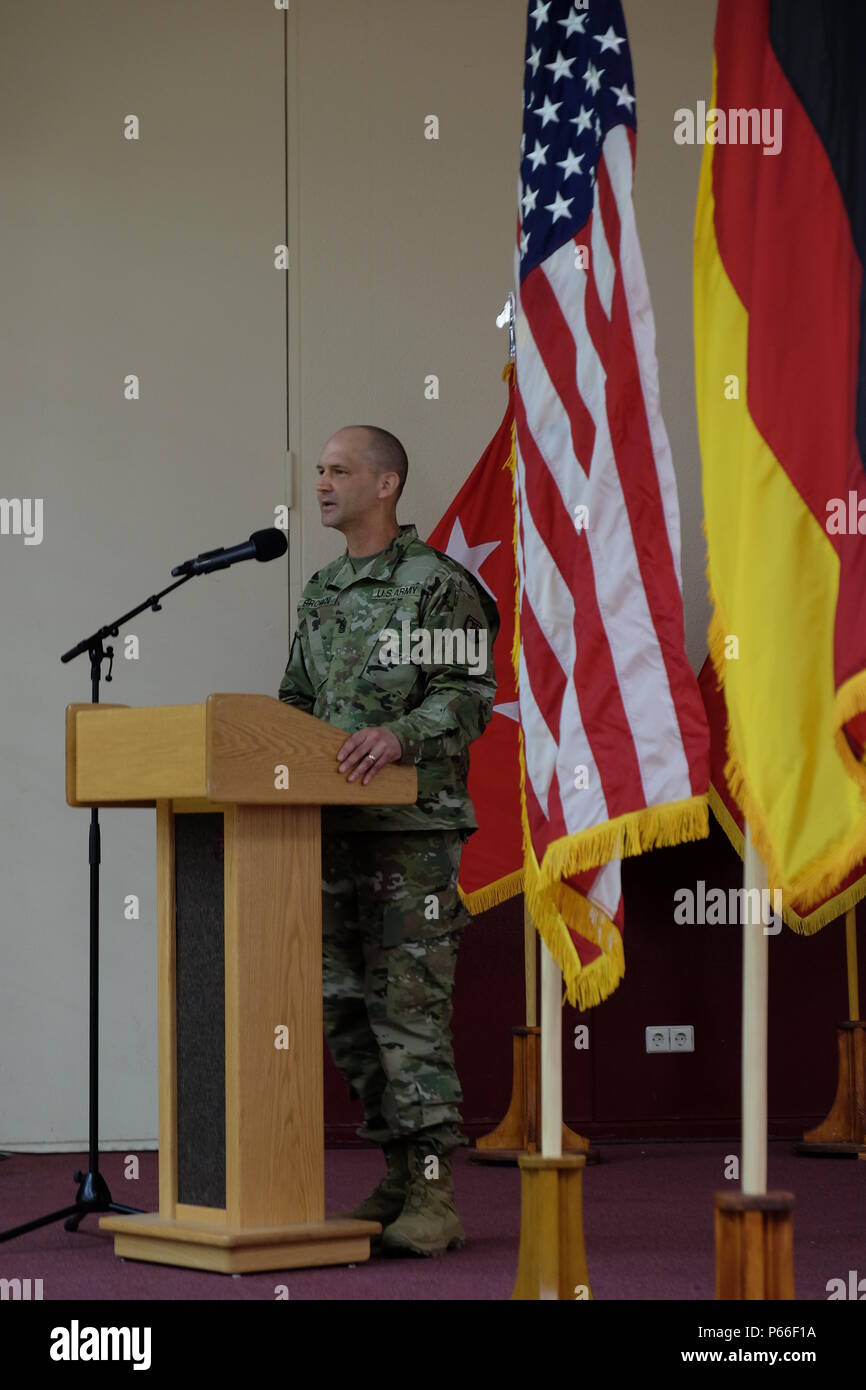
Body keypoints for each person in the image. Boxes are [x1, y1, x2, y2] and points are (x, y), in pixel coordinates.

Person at [277, 424, 499, 1256]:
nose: (324, 484)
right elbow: (295, 698)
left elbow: (470, 692)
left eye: (341, 471)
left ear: (387, 486)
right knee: (342, 1008)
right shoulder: (324, 588)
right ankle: (397, 1176)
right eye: (321, 471)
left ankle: (435, 1195)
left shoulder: (436, 586)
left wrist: (402, 736)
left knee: (408, 1011)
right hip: (327, 830)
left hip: (412, 834)